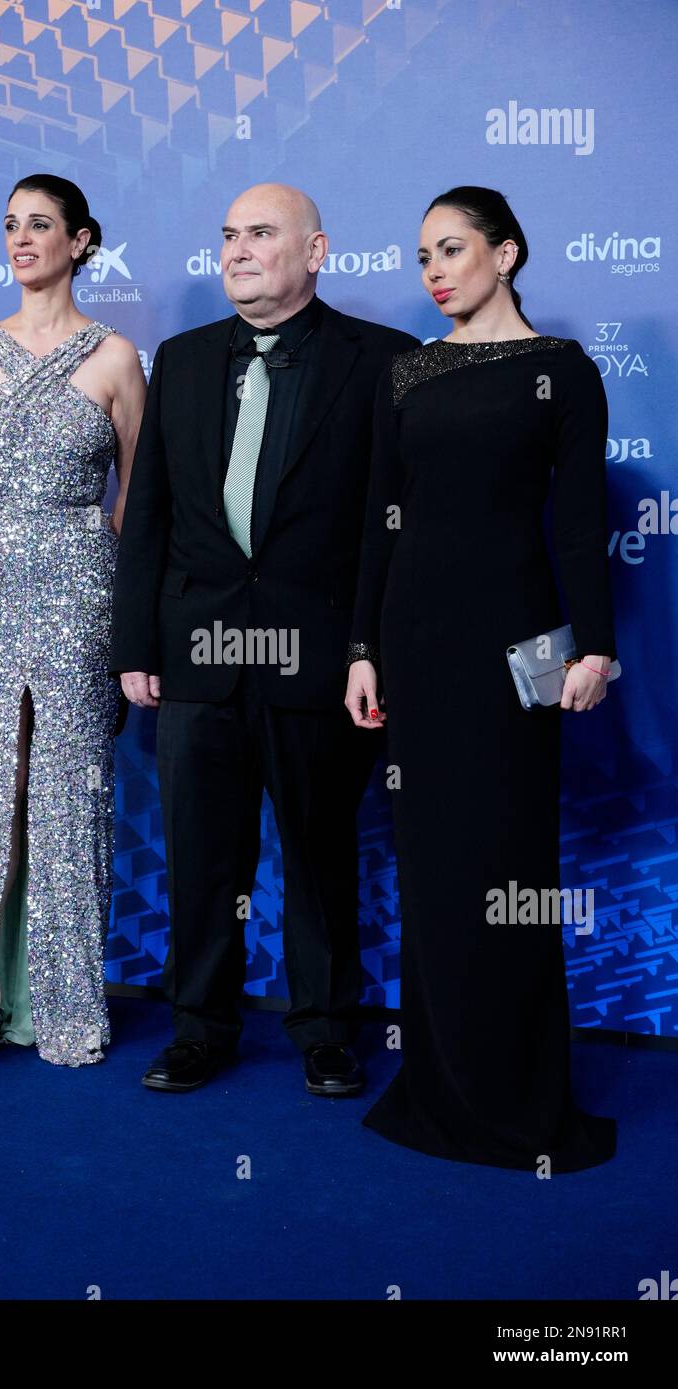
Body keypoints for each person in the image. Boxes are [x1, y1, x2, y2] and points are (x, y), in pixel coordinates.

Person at [110, 183, 419, 1095]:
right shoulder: (184, 358)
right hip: (197, 658)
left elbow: (383, 528)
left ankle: (325, 1029)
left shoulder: (382, 361)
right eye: (229, 236)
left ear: (316, 251)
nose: (238, 249)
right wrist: (137, 646)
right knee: (204, 859)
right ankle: (201, 1029)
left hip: (317, 658)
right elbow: (149, 517)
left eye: (262, 234)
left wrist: (367, 649)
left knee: (321, 856)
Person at [346, 185, 618, 1171]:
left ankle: (516, 1096)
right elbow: (379, 514)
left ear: (505, 253)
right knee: (433, 863)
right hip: (414, 641)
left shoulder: (560, 371)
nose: (433, 270)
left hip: (523, 642)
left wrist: (592, 646)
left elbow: (580, 521)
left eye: (451, 248)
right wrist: (359, 649)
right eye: (421, 254)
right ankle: (440, 1088)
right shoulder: (405, 373)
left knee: (510, 861)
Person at [0, 174, 146, 1071]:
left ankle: (64, 1008)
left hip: (81, 589)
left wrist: (79, 559)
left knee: (70, 790)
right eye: (10, 225)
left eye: (40, 225)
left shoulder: (116, 356)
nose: (21, 238)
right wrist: (7, 545)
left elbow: (138, 499)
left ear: (81, 241)